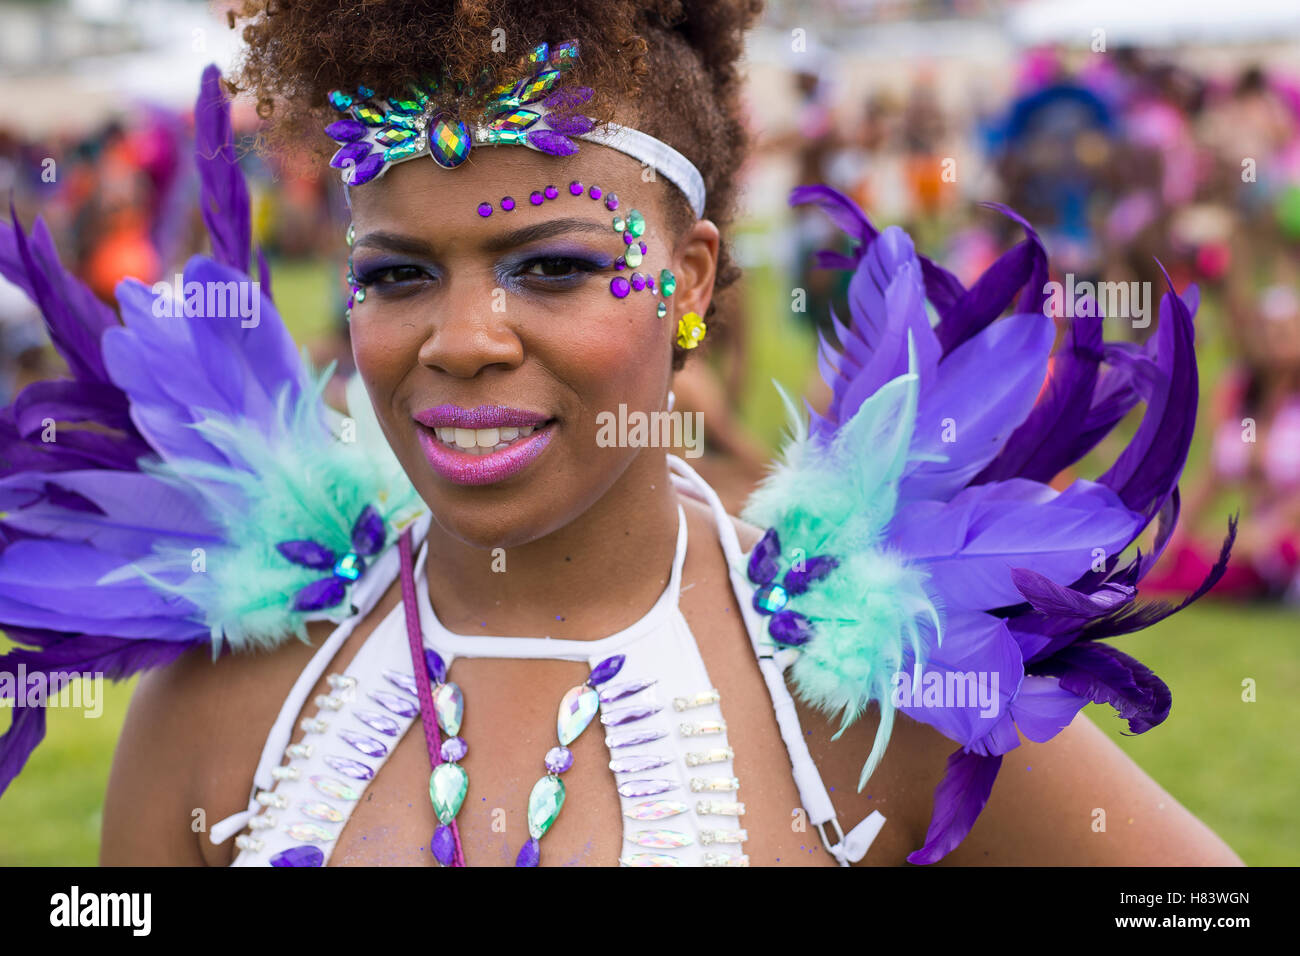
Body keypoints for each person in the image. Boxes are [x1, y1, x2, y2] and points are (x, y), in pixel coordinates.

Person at [0, 0, 1242, 868]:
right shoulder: (230, 695)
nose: (465, 338)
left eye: (549, 266)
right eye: (397, 275)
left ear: (692, 279)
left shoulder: (878, 689)